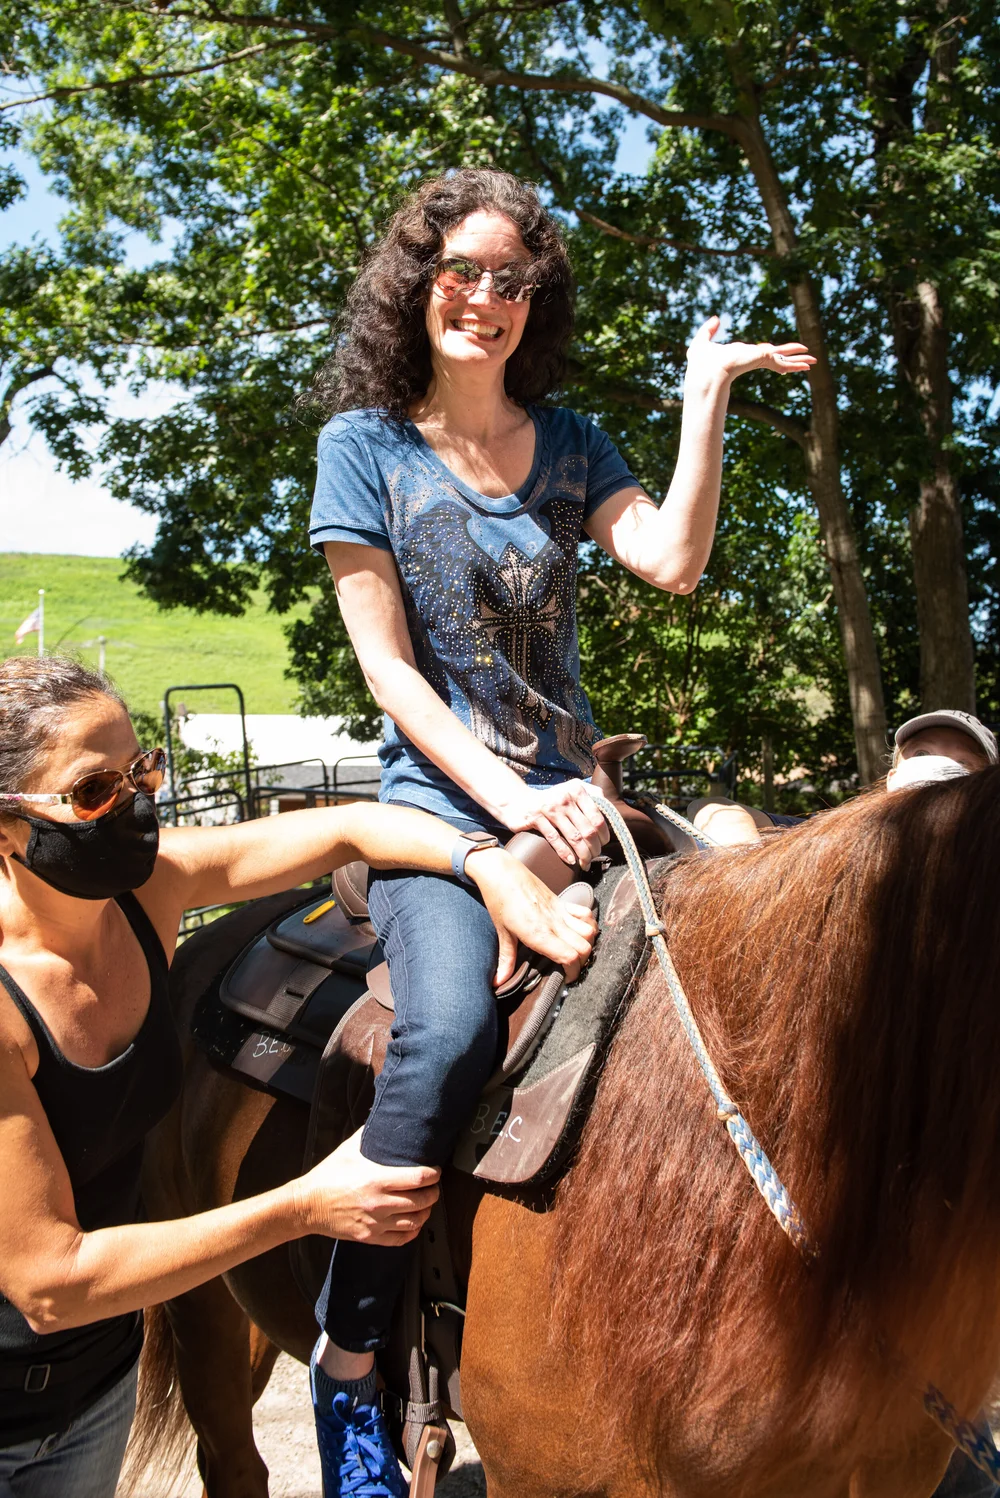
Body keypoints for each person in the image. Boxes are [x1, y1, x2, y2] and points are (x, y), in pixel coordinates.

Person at [306, 165, 815, 1493]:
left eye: (512, 280)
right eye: (461, 271)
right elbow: (393, 675)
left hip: (585, 795)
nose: (485, 298)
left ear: (539, 300)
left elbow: (675, 561)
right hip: (442, 810)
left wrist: (706, 398)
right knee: (452, 1028)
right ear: (418, 281)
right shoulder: (364, 445)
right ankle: (353, 1351)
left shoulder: (572, 439)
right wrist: (510, 797)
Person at [0, 653, 596, 1498]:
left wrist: (483, 865)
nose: (138, 804)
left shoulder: (145, 895)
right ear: (5, 826)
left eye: (144, 770)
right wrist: (307, 1203)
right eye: (95, 792)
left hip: (95, 1385)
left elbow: (351, 829)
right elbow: (51, 1283)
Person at [690, 708, 999, 847]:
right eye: (921, 754)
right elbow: (711, 808)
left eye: (964, 763)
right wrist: (747, 862)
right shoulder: (845, 839)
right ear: (892, 780)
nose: (940, 765)